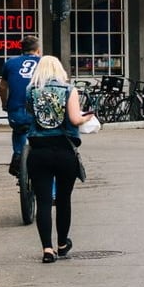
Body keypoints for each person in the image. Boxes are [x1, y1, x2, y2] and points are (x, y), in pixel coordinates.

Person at [24, 54, 88, 262]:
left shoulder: (30, 90)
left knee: (43, 201)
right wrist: (90, 115)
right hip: (63, 150)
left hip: (38, 151)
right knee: (63, 199)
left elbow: (30, 114)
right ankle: (62, 243)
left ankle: (47, 249)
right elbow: (75, 119)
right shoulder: (68, 89)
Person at [0, 33, 41, 181]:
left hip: (16, 110)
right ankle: (52, 192)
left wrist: (5, 104)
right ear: (37, 49)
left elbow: (3, 87)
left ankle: (18, 156)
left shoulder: (10, 63)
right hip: (38, 110)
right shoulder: (44, 63)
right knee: (42, 140)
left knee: (19, 131)